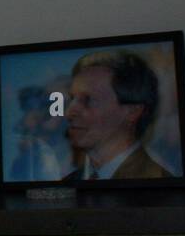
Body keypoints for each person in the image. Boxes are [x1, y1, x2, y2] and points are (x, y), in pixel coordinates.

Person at [62, 49, 170, 181]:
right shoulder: (69, 182)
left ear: (133, 111)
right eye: (72, 98)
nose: (69, 113)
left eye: (88, 100)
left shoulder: (158, 184)